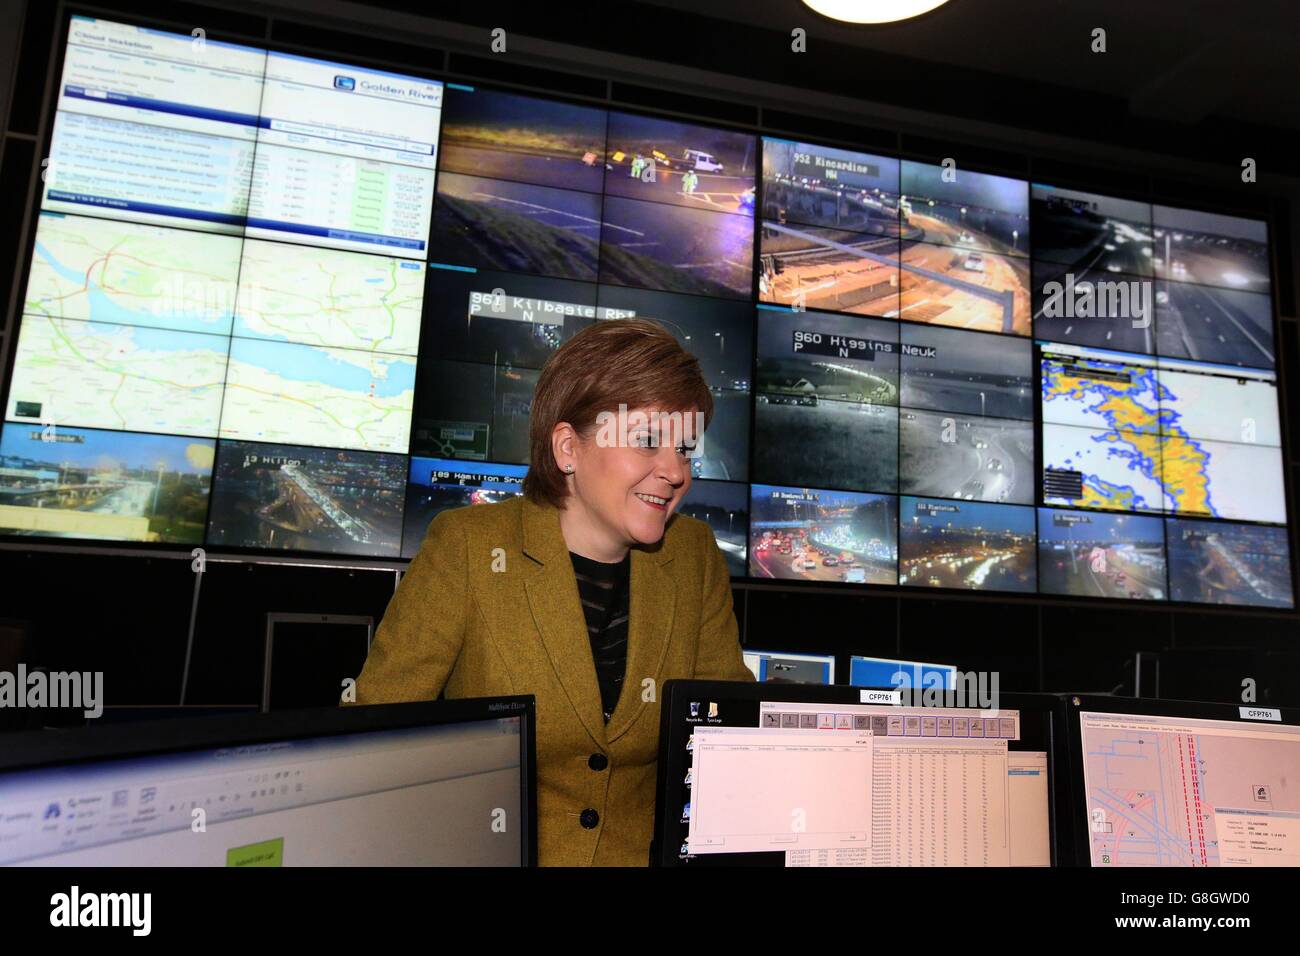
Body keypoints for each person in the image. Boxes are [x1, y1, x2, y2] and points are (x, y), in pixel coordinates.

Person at [346, 318, 754, 866]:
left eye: (684, 449)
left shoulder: (695, 557)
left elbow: (726, 741)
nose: (675, 471)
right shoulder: (469, 547)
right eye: (647, 441)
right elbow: (374, 744)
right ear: (568, 448)